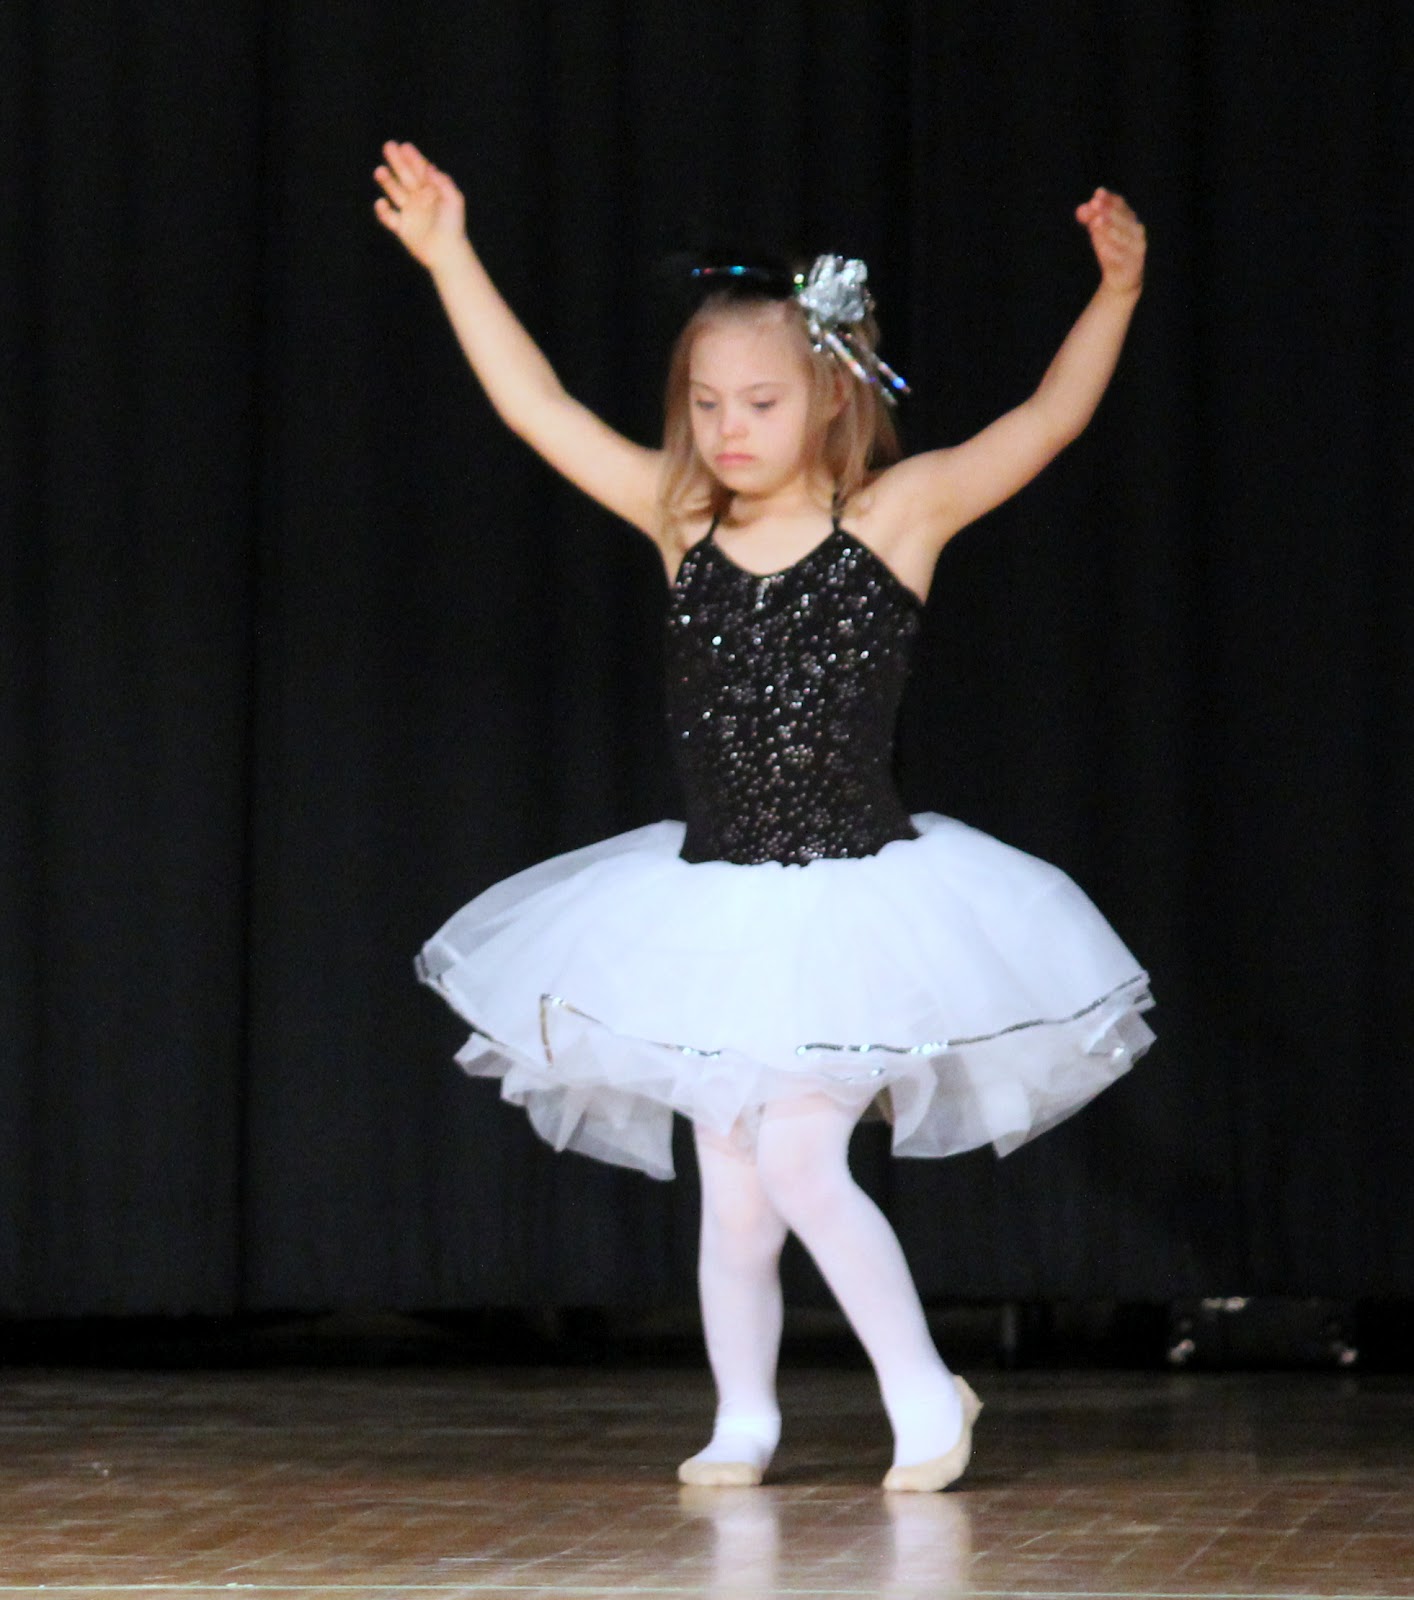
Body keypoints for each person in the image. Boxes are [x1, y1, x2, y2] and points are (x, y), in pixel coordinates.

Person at [374, 140, 1155, 1493]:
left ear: (831, 404)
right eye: (705, 401)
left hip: (860, 900)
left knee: (795, 1155)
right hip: (716, 902)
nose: (727, 427)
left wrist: (1117, 294)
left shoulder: (898, 519)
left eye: (759, 401)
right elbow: (538, 409)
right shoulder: (680, 524)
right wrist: (451, 256)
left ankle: (925, 1397)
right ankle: (744, 1418)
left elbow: (1045, 422)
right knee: (731, 1195)